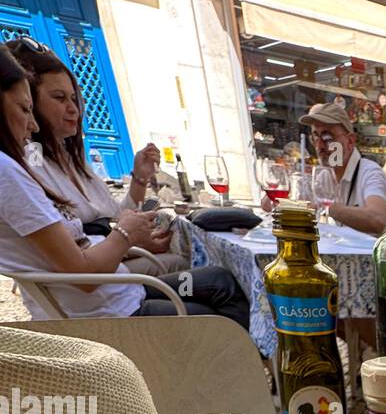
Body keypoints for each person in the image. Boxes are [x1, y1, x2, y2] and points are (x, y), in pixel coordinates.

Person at [0, 46, 248, 327]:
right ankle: (224, 361)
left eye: (75, 98)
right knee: (219, 310)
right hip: (117, 312)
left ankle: (230, 359)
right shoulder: (18, 168)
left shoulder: (66, 160)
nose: (74, 108)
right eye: (26, 108)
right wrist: (126, 235)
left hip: (125, 288)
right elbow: (84, 270)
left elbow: (97, 232)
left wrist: (137, 188)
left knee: (217, 280)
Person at [9, 37, 186, 276]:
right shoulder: (31, 162)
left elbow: (115, 216)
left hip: (111, 262)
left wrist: (139, 179)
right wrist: (129, 244)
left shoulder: (71, 157)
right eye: (59, 98)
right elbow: (71, 254)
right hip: (102, 278)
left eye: (74, 98)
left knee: (186, 251)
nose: (73, 108)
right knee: (188, 265)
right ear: (31, 104)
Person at [297, 103, 386, 235]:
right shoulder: (324, 176)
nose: (320, 146)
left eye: (327, 137)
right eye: (316, 137)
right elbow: (272, 204)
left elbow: (377, 219)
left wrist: (325, 207)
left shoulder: (369, 172)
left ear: (350, 141)